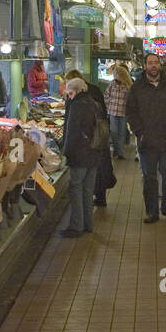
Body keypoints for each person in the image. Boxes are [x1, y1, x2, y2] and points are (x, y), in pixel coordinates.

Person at [125, 52, 166, 224]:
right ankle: (151, 211)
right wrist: (139, 133)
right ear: (145, 66)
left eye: (156, 62)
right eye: (150, 63)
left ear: (160, 65)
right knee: (149, 177)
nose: (153, 66)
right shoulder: (136, 88)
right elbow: (131, 113)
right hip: (147, 141)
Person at [65, 70, 116, 206]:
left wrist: (67, 151)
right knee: (96, 176)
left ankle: (79, 222)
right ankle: (99, 200)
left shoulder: (76, 101)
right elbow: (103, 114)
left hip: (84, 147)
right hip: (98, 141)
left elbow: (72, 127)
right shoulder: (94, 91)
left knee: (80, 186)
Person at [59, 77, 101, 237]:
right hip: (94, 153)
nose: (69, 97)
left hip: (80, 154)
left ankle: (76, 226)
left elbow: (71, 133)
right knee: (88, 190)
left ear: (77, 91)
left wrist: (66, 154)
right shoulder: (93, 103)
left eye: (70, 93)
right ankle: (88, 224)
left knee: (76, 188)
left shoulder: (76, 106)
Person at [106, 64, 133, 160]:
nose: (114, 76)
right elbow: (107, 96)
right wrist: (107, 107)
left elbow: (131, 100)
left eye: (116, 74)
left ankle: (120, 153)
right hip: (112, 111)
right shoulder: (111, 84)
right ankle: (116, 150)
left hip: (123, 112)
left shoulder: (128, 86)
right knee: (113, 132)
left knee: (122, 132)